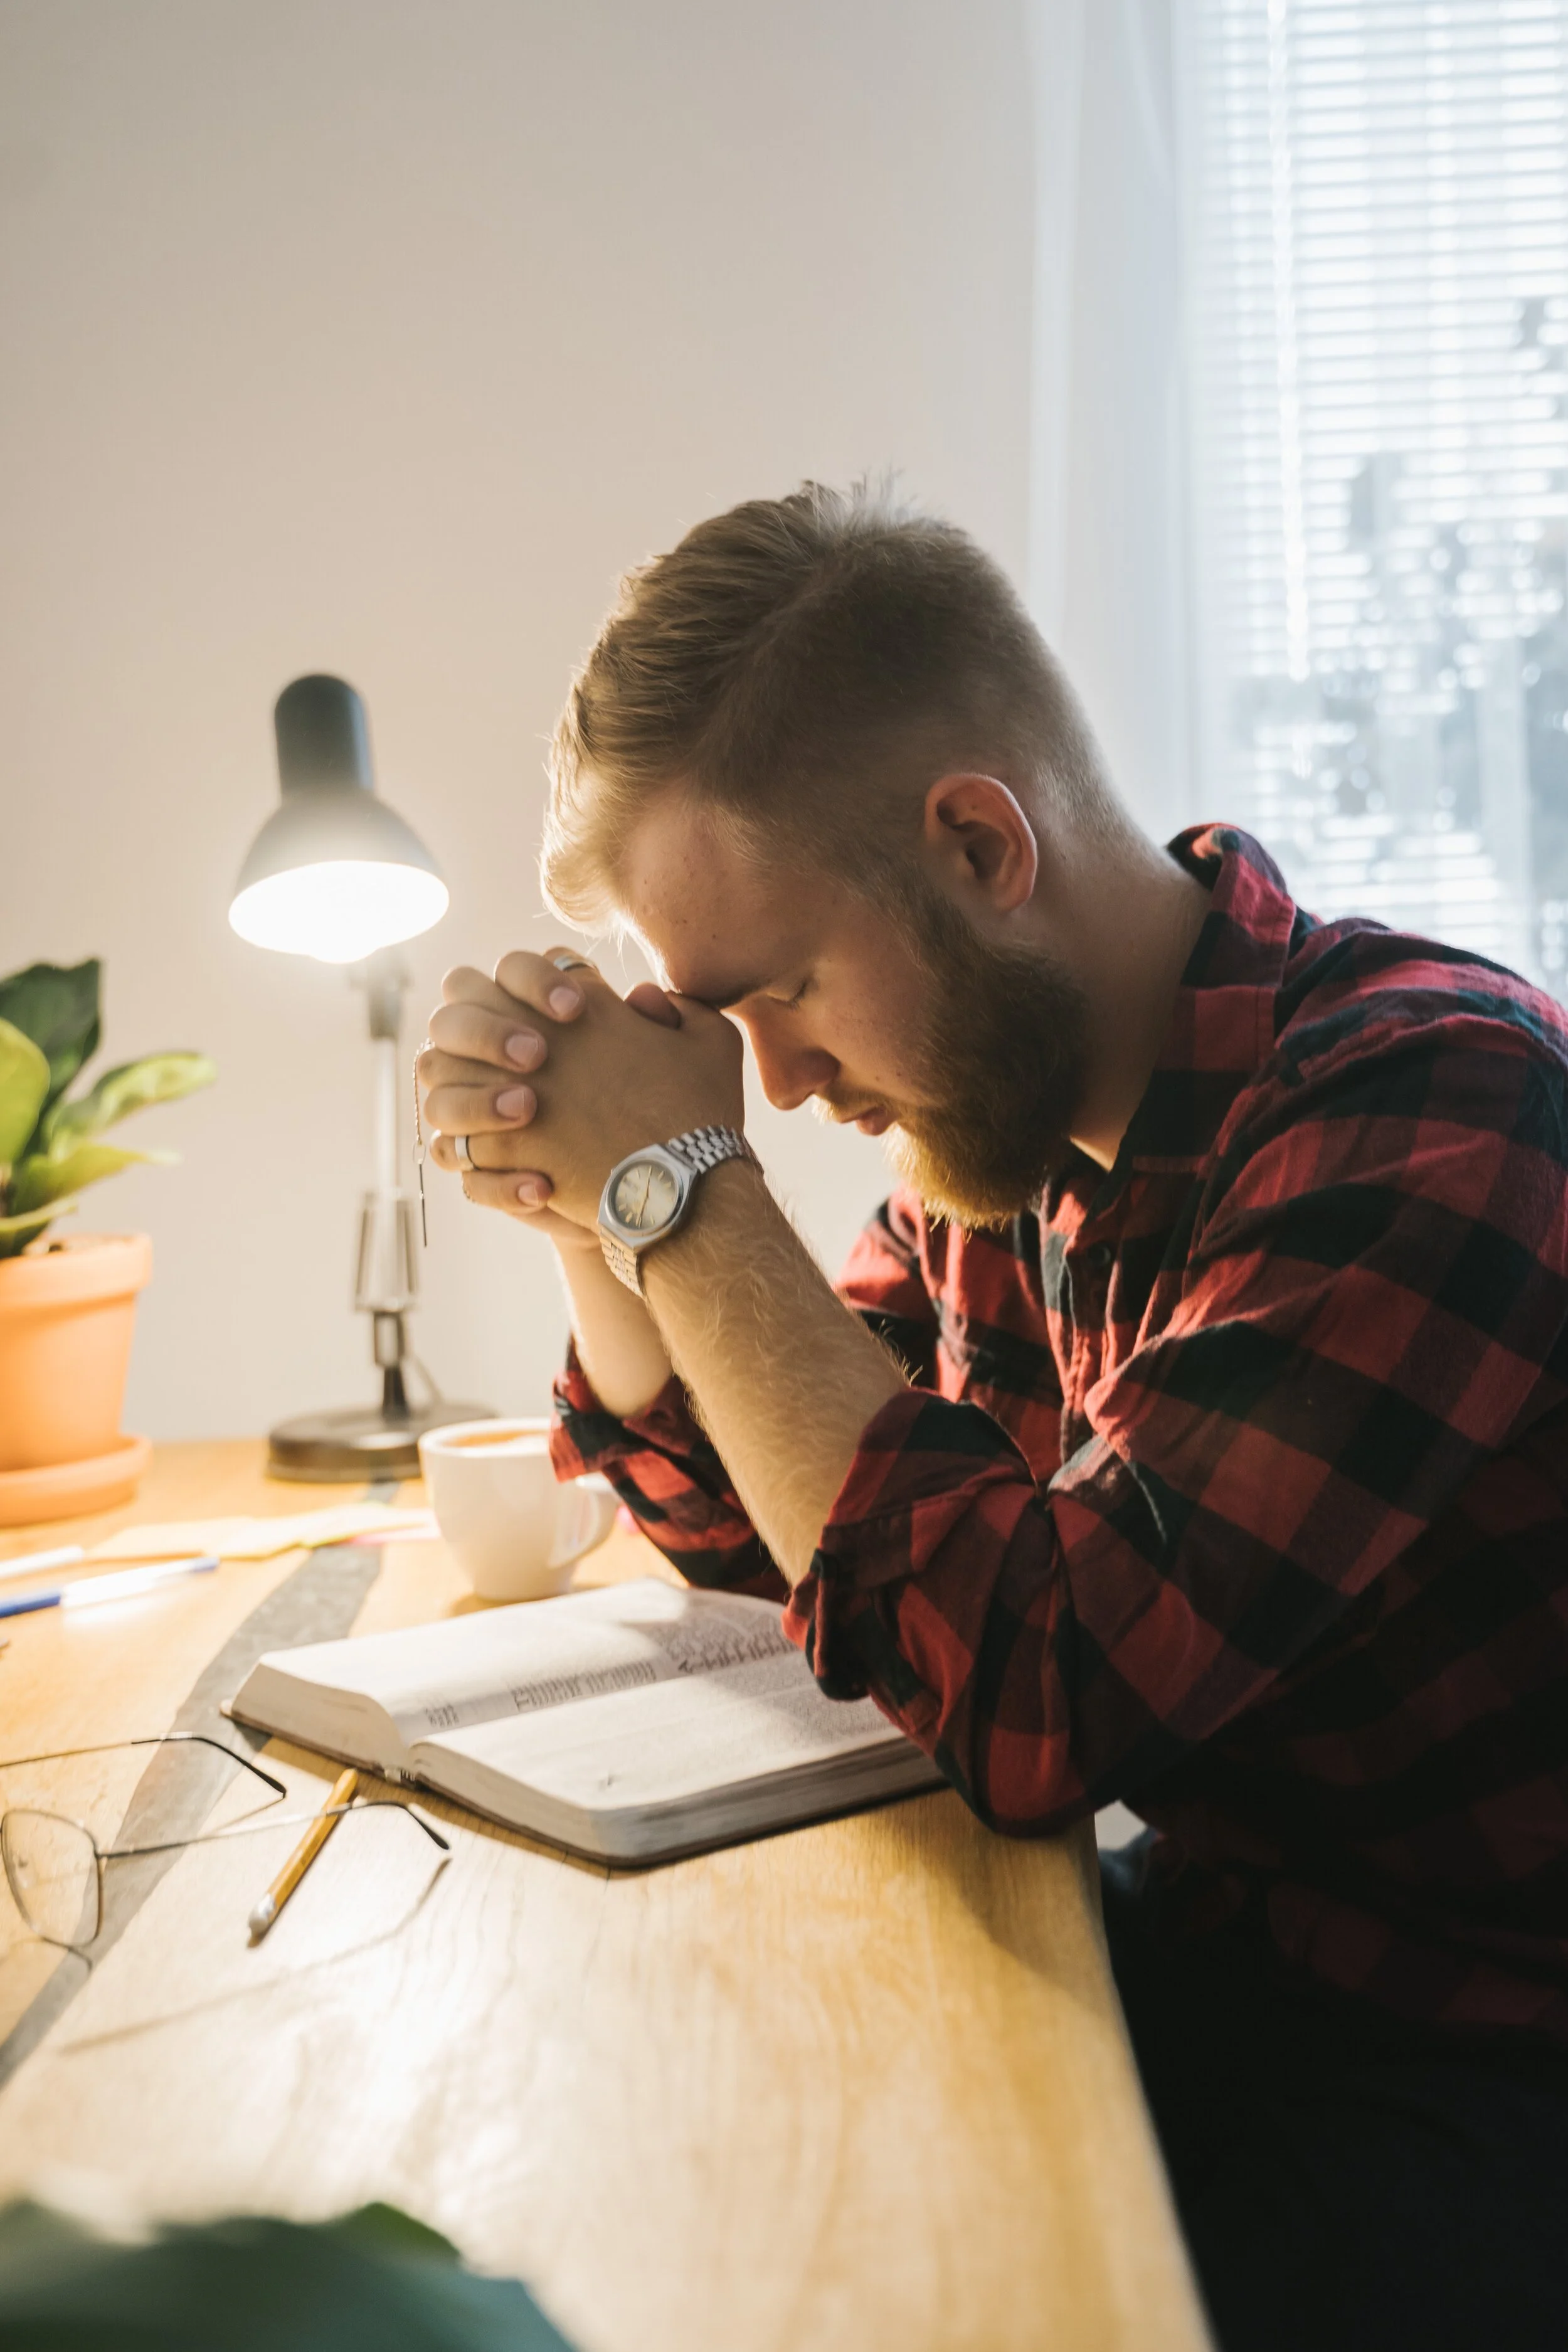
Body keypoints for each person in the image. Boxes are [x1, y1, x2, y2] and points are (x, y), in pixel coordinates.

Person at [416, 483, 1568, 2352]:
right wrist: (591, 1209)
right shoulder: (1006, 1139)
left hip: (1476, 2058)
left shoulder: (1433, 1103)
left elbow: (1043, 1687)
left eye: (783, 989)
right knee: (649, 2146)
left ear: (975, 843)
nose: (778, 1081)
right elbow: (782, 1534)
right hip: (1227, 1948)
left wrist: (679, 1190)